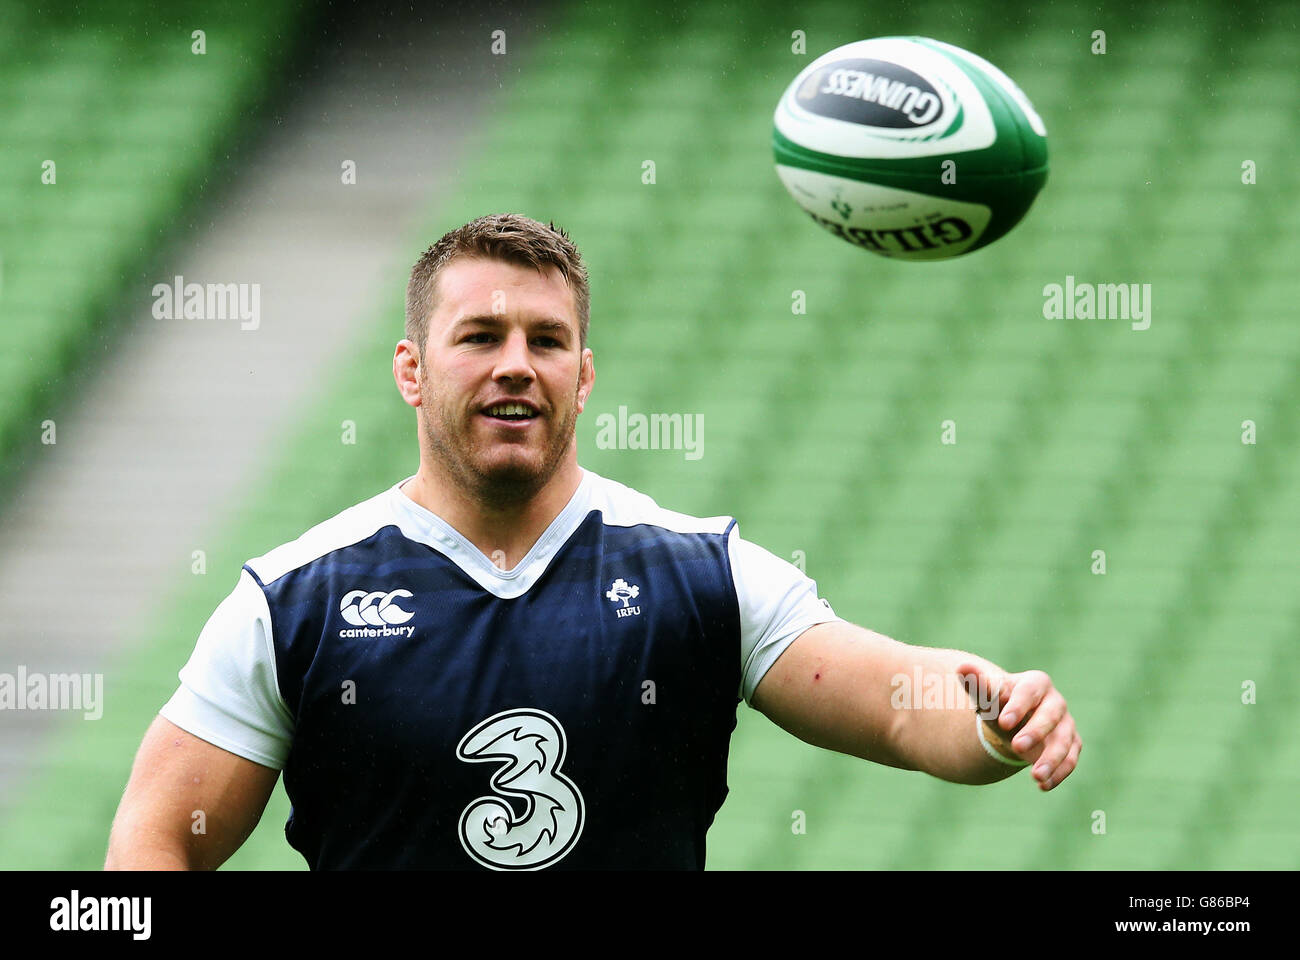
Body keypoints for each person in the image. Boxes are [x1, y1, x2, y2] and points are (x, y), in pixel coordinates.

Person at [105, 213, 1081, 870]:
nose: (516, 366)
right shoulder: (295, 600)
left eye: (546, 340)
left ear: (584, 372)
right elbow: (157, 838)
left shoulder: (701, 575)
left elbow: (906, 706)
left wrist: (997, 715)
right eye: (479, 337)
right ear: (411, 368)